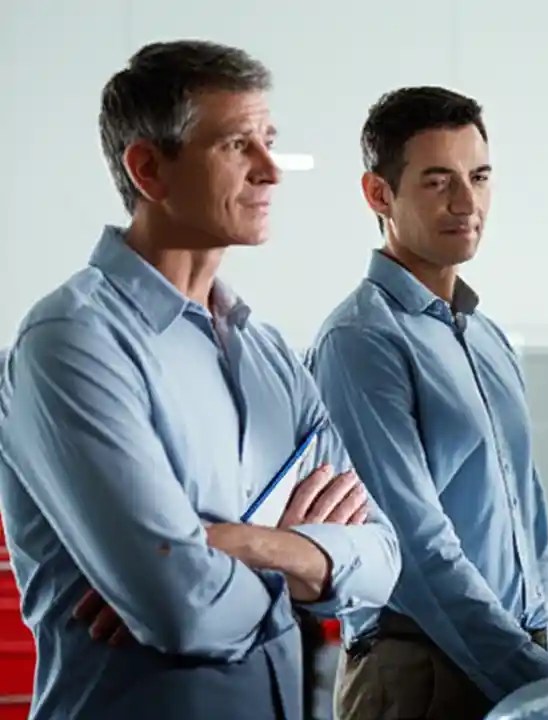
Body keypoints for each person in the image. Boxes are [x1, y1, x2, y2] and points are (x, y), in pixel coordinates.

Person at [0, 40, 402, 720]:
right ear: (149, 169)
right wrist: (300, 564)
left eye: (269, 141)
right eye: (237, 145)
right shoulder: (73, 342)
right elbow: (181, 609)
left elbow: (383, 561)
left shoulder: (268, 354)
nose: (269, 170)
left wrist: (239, 545)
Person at [307, 86, 548, 720]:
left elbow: (532, 526)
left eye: (479, 177)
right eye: (437, 181)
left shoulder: (487, 337)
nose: (467, 202)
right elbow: (415, 549)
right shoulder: (360, 339)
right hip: (418, 672)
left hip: (512, 659)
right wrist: (536, 678)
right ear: (379, 195)